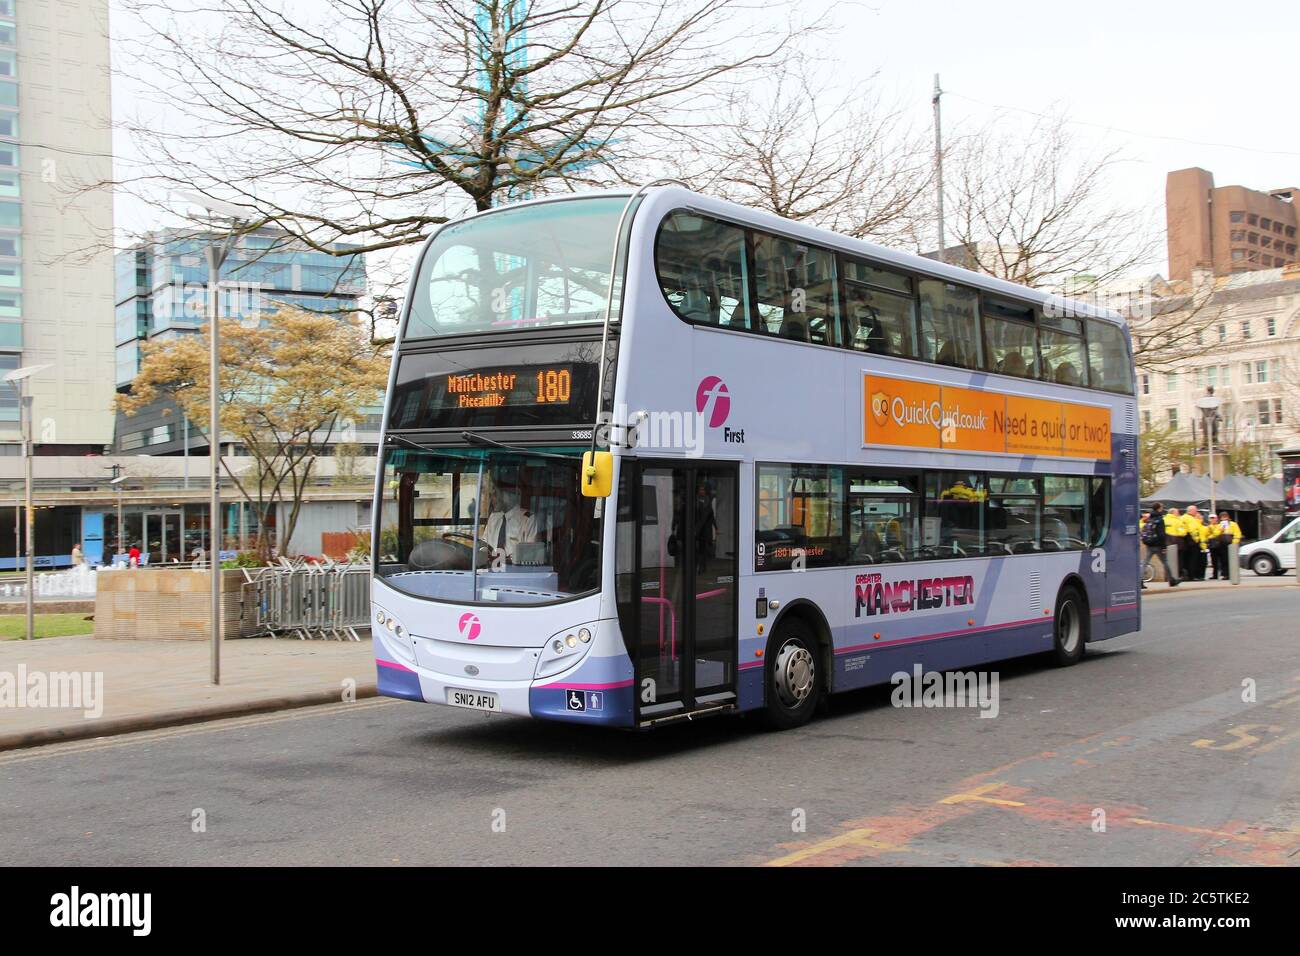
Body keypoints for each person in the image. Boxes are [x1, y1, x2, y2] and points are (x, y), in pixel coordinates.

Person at [481, 483, 538, 564]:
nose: (491, 500)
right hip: (491, 571)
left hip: (515, 573)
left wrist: (508, 560)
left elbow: (531, 556)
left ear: (506, 494)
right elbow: (484, 547)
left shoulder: (527, 519)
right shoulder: (493, 518)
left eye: (494, 494)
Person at [1141, 502, 1178, 587]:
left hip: (1149, 544)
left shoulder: (1150, 518)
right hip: (1158, 545)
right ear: (1159, 508)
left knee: (1145, 562)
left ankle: (1140, 581)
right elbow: (1162, 534)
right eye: (1161, 507)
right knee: (1165, 562)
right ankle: (1172, 580)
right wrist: (1164, 546)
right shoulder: (1160, 519)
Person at [1206, 511, 1243, 580]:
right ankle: (1225, 574)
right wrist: (1220, 530)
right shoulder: (1219, 525)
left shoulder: (1233, 524)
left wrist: (1234, 542)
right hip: (1222, 544)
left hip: (1231, 544)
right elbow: (1215, 534)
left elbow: (1237, 533)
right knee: (1224, 560)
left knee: (1232, 560)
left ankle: (1233, 574)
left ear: (1228, 517)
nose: (1224, 519)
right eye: (1222, 518)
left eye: (1225, 517)